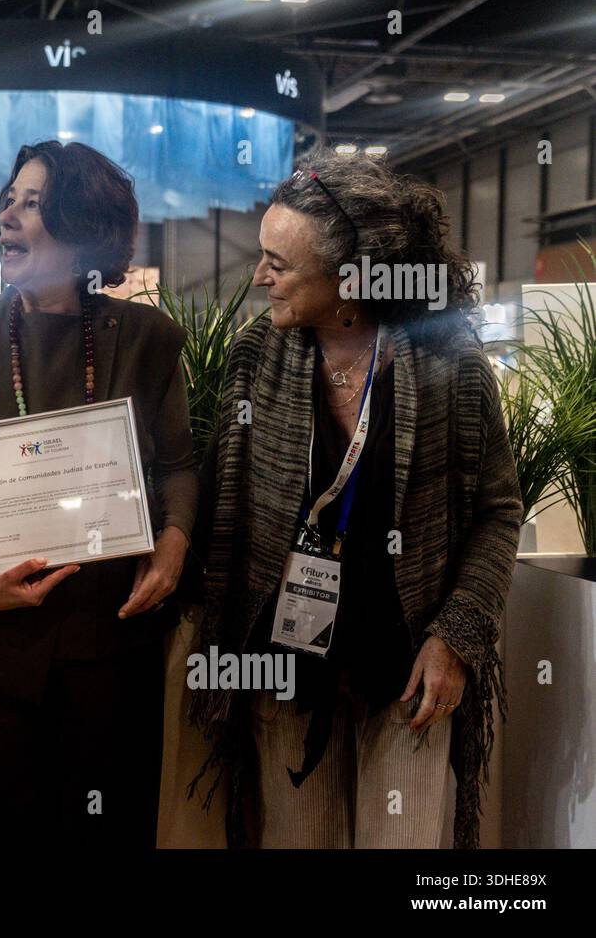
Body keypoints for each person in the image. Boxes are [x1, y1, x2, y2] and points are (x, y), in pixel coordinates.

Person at [189, 152, 522, 849]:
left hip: (407, 677)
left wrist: (456, 637)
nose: (259, 278)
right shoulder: (259, 354)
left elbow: (497, 511)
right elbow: (227, 509)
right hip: (287, 673)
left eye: (280, 264)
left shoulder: (449, 365)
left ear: (350, 279)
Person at [0, 140, 198, 847]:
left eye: (31, 203)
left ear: (82, 224)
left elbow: (181, 465)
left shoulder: (148, 341)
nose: (7, 213)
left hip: (113, 642)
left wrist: (174, 542)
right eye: (8, 199)